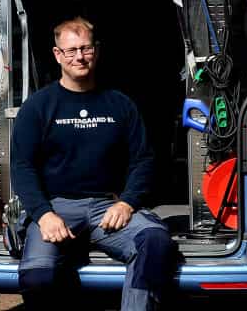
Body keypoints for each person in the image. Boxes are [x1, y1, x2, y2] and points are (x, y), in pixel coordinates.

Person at [10, 17, 173, 310]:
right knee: (37, 277)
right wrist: (43, 215)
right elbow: (22, 168)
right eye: (70, 50)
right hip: (56, 206)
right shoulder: (38, 106)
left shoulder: (120, 104)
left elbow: (144, 160)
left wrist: (126, 203)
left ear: (96, 51)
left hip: (106, 207)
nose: (79, 57)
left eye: (85, 48)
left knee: (155, 242)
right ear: (57, 55)